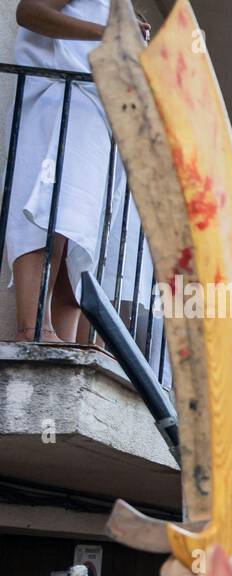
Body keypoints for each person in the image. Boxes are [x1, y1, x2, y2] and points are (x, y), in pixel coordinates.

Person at [8, 0, 129, 342]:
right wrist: (109, 34)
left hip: (95, 114)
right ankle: (33, 328)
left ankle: (64, 335)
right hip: (66, 99)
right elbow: (29, 11)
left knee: (78, 234)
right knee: (52, 218)